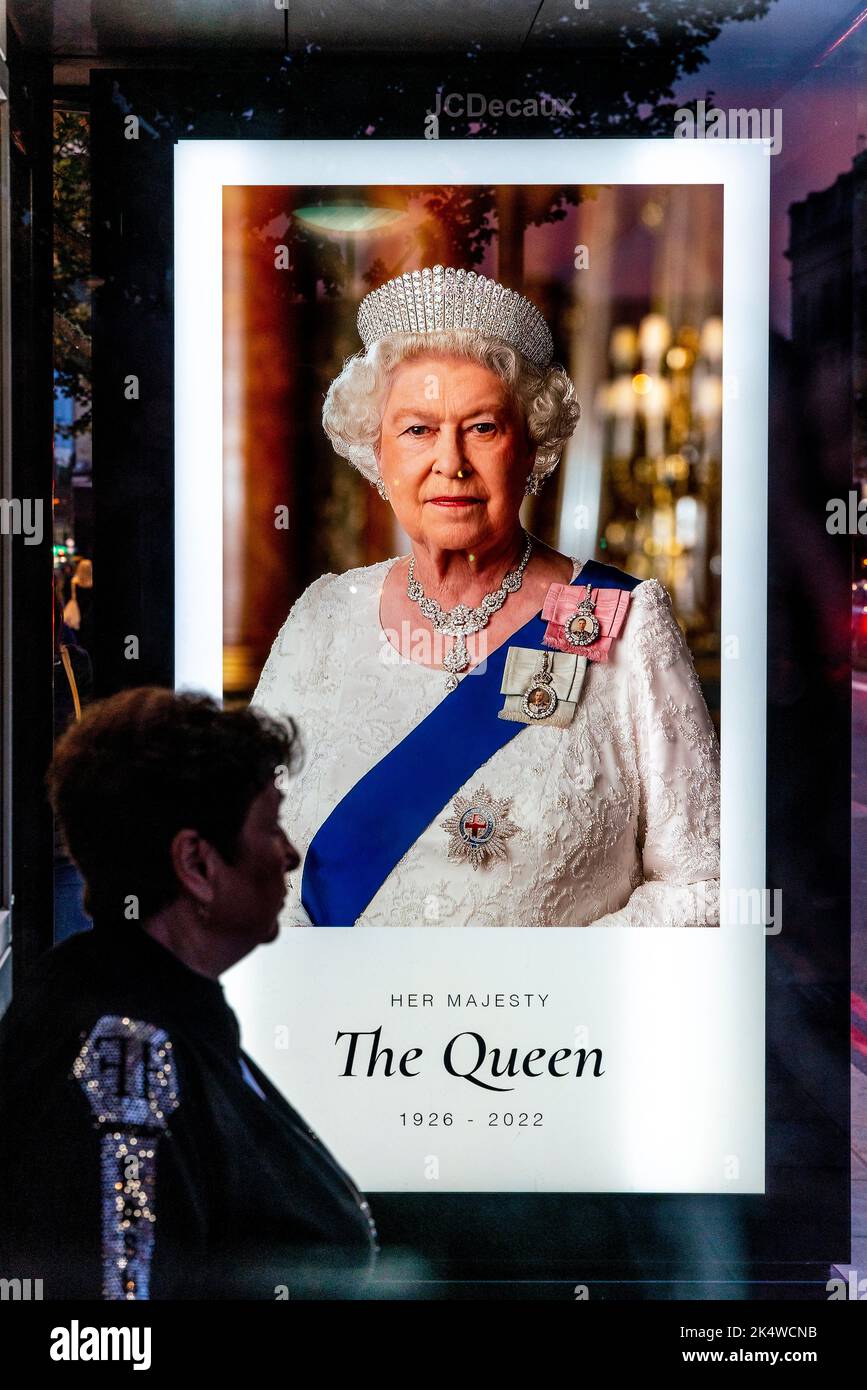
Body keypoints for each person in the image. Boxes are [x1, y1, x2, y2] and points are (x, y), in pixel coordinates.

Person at [252, 264, 720, 929]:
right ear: (374, 453)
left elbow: (700, 884)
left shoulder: (618, 617)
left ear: (530, 448)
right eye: (417, 430)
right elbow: (254, 861)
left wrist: (529, 993)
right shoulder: (322, 617)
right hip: (356, 1032)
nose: (450, 461)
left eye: (482, 428)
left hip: (551, 1030)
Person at [0, 687, 377, 1299]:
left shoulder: (146, 1011)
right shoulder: (126, 1053)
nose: (289, 854)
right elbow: (116, 1321)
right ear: (197, 864)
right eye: (271, 825)